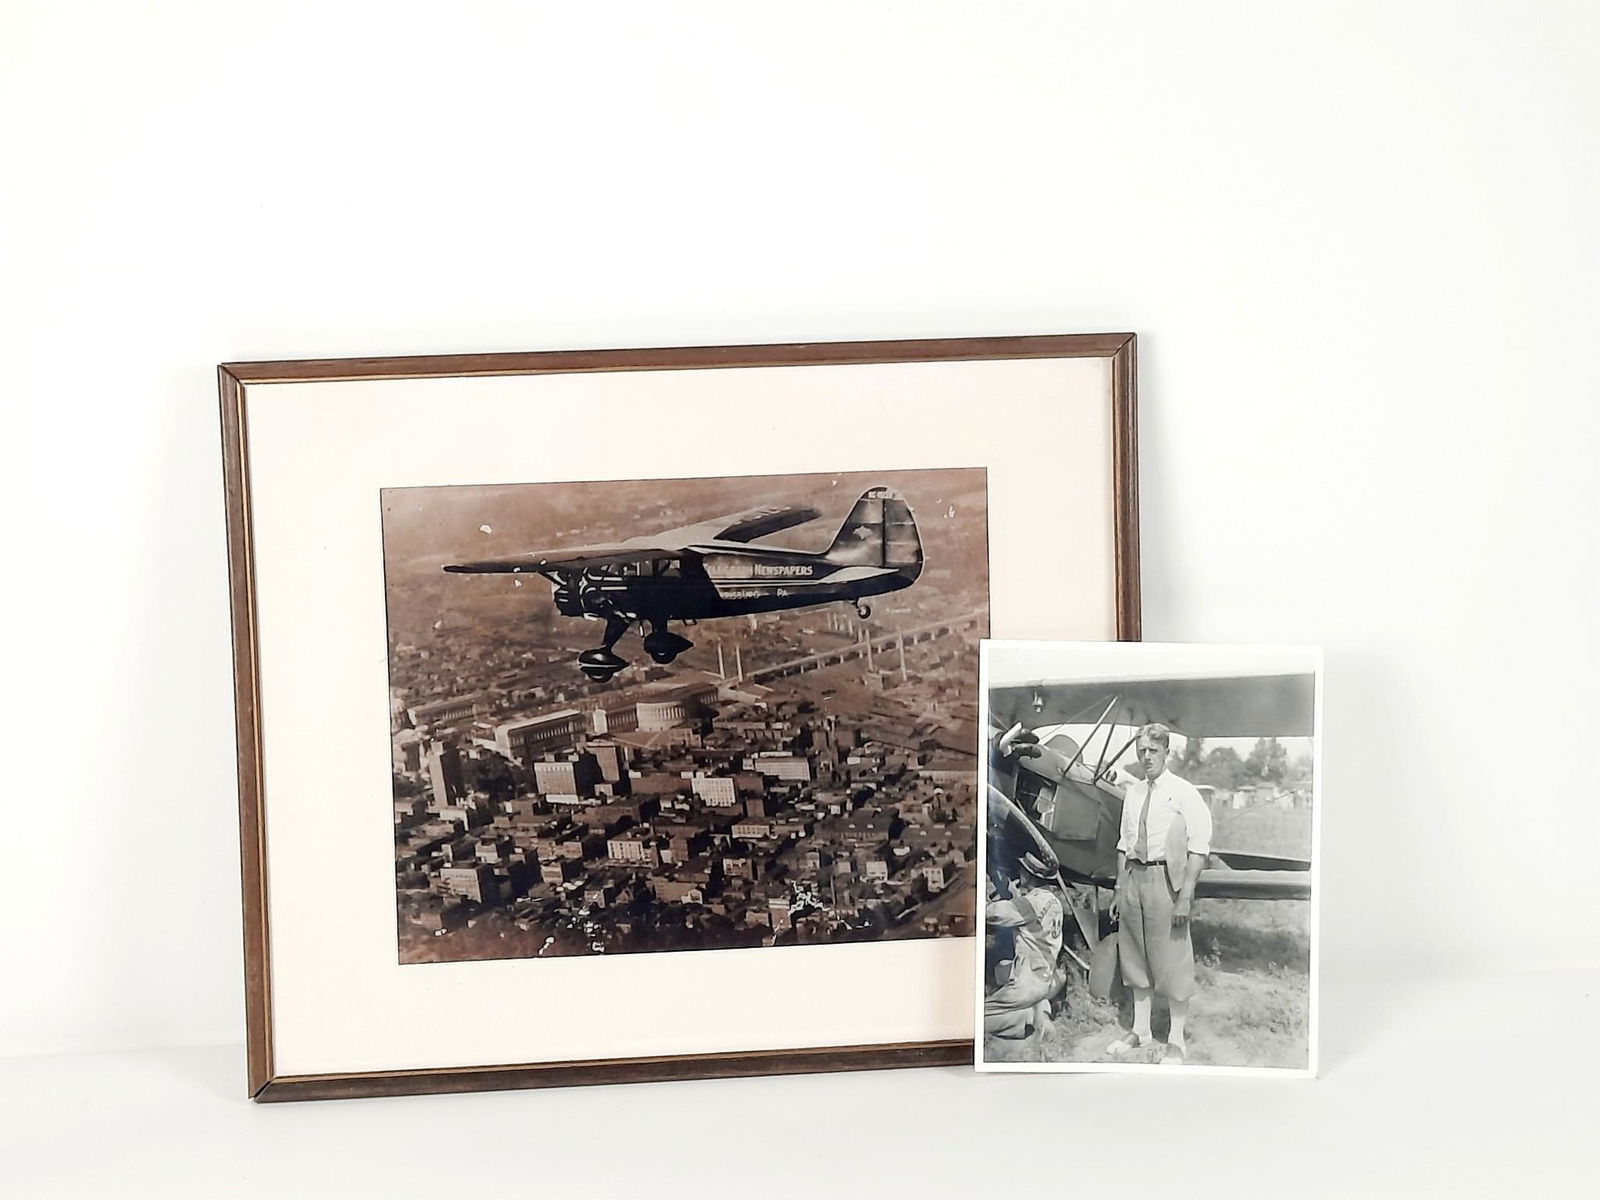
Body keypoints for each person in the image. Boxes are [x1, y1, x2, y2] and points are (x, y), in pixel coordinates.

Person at [1109, 723, 1213, 1065]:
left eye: (1153, 751)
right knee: (1136, 957)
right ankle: (1141, 1031)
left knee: (1172, 959)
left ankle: (1176, 1040)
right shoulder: (1134, 792)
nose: (1146, 757)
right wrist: (1119, 887)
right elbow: (1124, 844)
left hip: (1166, 880)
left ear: (1166, 752)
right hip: (1134, 878)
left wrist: (1185, 896)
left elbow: (1199, 847)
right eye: (1141, 751)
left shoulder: (1183, 792)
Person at [983, 853, 1065, 1039]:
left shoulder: (1027, 905)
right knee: (999, 969)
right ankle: (1042, 1007)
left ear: (1027, 875)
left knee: (980, 1019)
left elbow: (991, 913)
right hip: (1048, 978)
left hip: (1028, 982)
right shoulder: (1054, 901)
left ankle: (1029, 1017)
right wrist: (1014, 896)